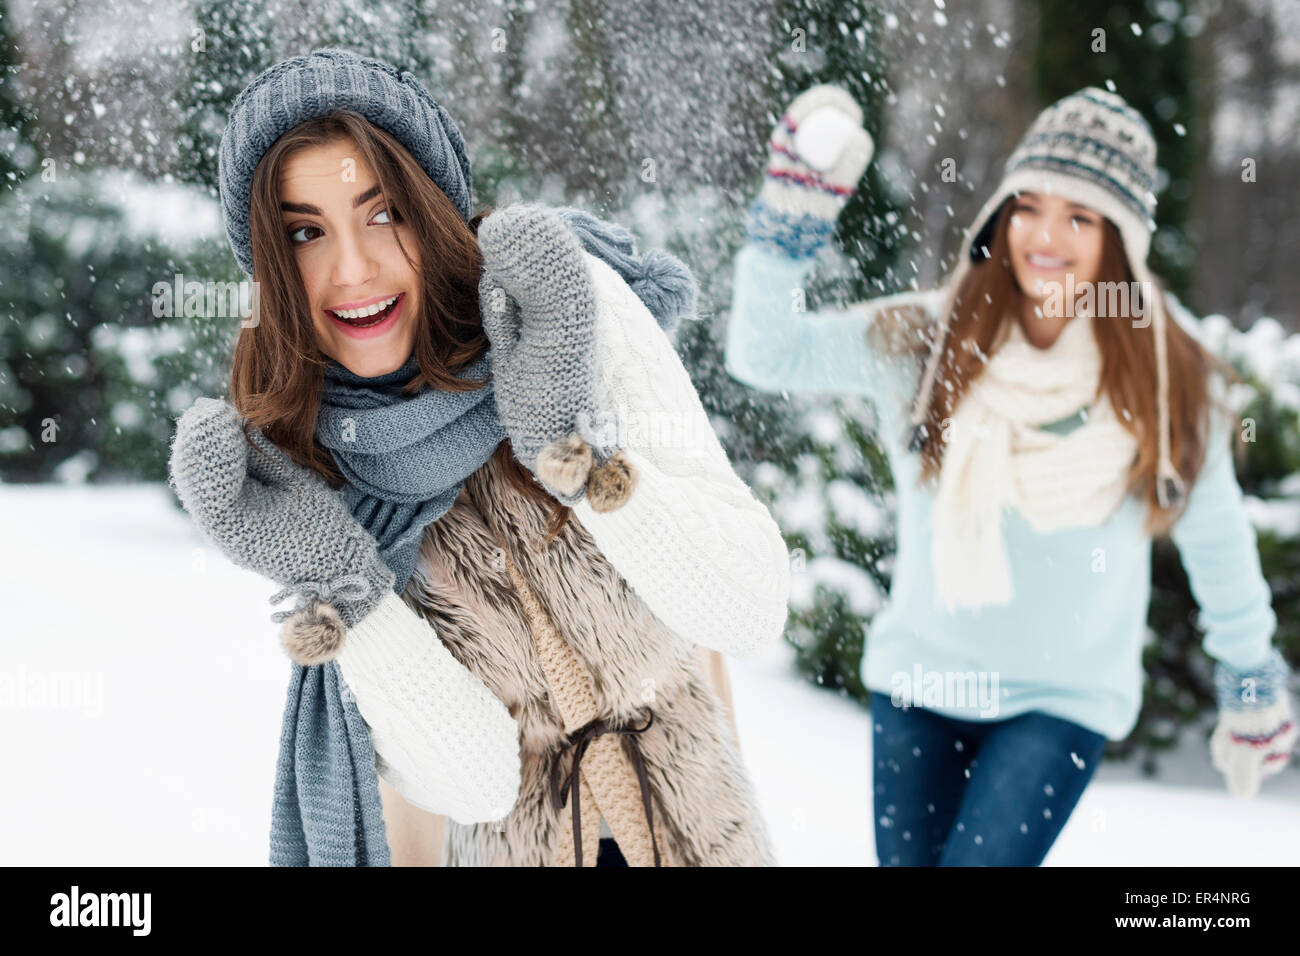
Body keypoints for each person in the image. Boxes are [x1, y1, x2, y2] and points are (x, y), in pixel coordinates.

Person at [168, 48, 790, 867]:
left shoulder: (561, 305)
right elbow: (475, 779)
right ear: (272, 265)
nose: (352, 270)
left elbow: (749, 606)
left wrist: (572, 453)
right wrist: (345, 584)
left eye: (382, 211)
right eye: (306, 232)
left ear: (431, 206)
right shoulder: (311, 462)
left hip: (697, 830)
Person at [723, 84, 1297, 866]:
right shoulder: (926, 342)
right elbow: (765, 353)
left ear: (1119, 240)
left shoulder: (1166, 374)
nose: (1045, 236)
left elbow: (1217, 537)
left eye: (1081, 217)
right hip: (920, 688)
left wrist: (1249, 671)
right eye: (1029, 206)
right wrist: (788, 227)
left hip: (1060, 705)